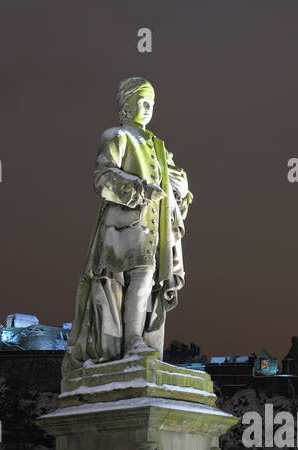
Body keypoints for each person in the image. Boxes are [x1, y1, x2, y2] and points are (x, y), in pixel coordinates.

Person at [62, 76, 192, 381]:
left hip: (153, 228)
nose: (148, 109)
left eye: (152, 104)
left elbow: (175, 179)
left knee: (147, 282)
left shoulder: (158, 146)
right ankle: (130, 342)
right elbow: (102, 176)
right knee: (122, 284)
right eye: (142, 101)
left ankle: (138, 341)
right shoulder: (117, 136)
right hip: (122, 226)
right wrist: (140, 188)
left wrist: (179, 189)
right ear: (126, 103)